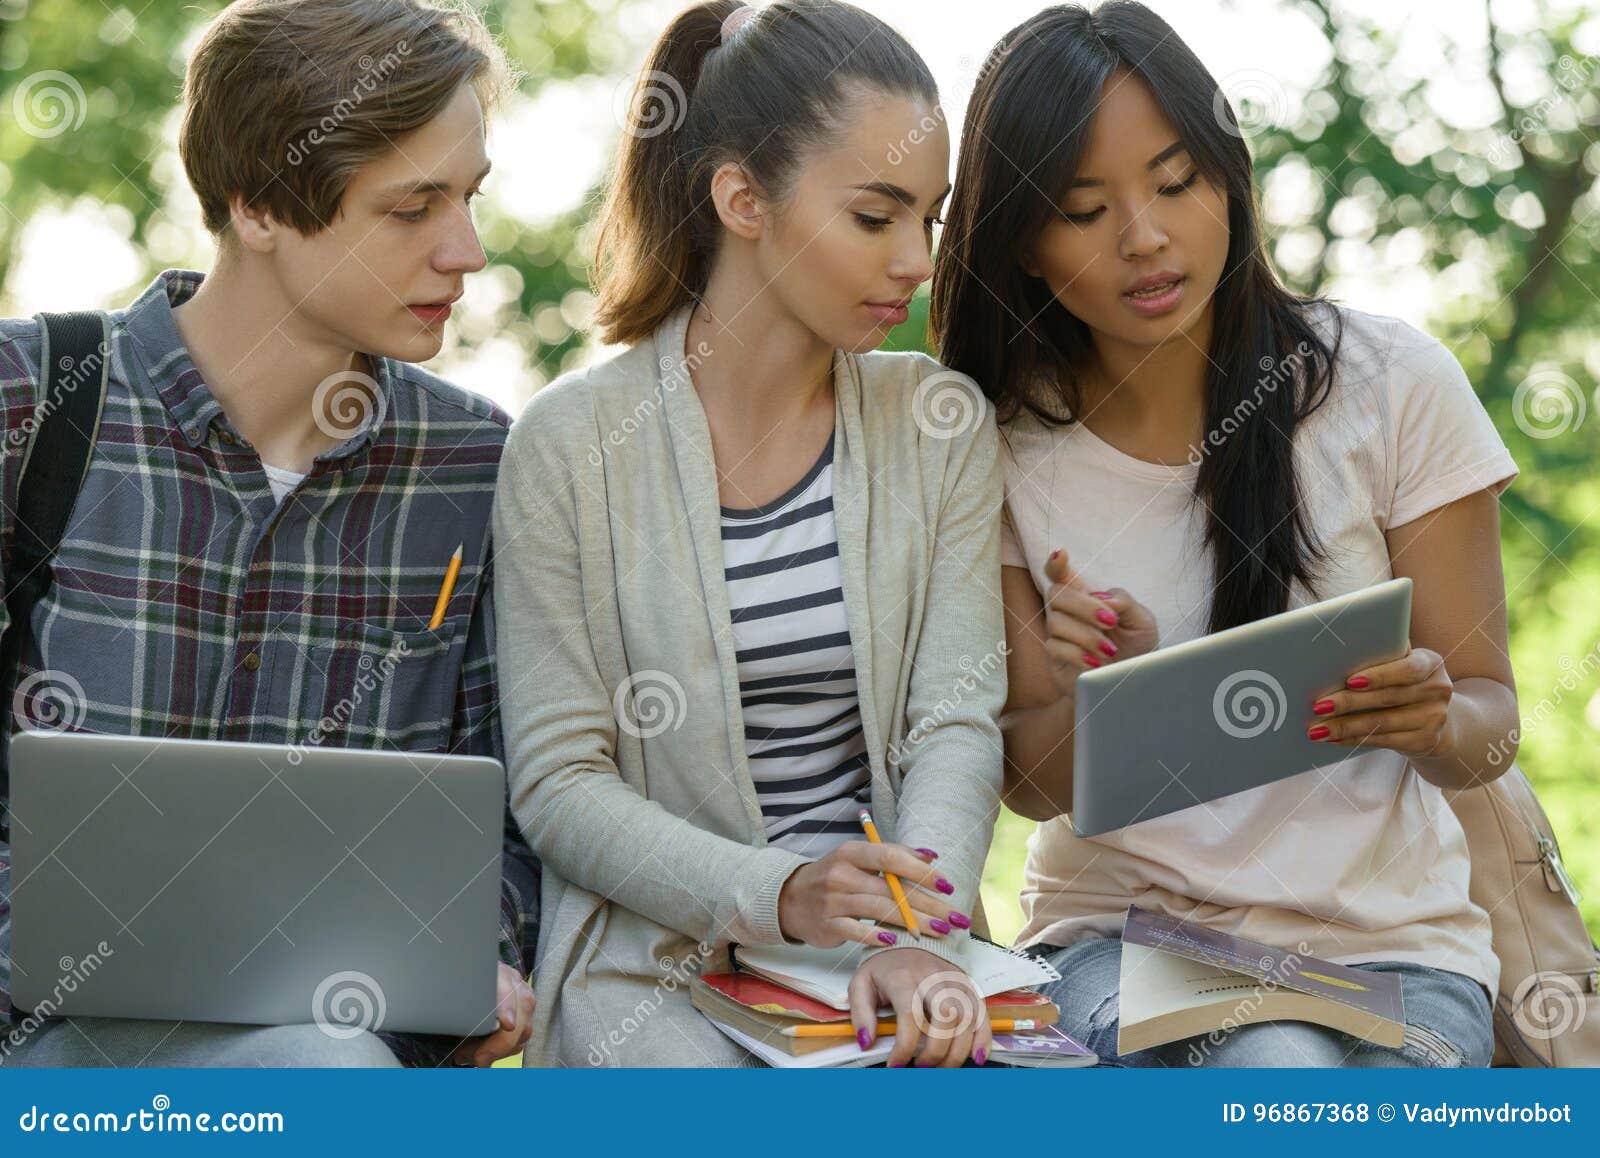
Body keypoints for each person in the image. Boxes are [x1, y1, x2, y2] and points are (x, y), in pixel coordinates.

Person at [930, 1, 1518, 1068]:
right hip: (1125, 944)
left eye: (1175, 182)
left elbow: (1493, 726)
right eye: (1083, 208)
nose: (1144, 237)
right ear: (1022, 244)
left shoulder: (1391, 384)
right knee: (1274, 1068)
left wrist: (1433, 719)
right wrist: (1096, 688)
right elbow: (1028, 784)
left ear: (1230, 180)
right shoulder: (995, 445)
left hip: (1398, 955)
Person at [0, 0, 537, 1068]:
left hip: (332, 1048)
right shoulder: (33, 400)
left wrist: (483, 955)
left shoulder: (476, 467)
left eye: (468, 198)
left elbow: (514, 819)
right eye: (411, 208)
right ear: (257, 205)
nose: (467, 251)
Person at [493, 0, 1005, 1067]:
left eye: (930, 218)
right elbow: (559, 782)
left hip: (888, 949)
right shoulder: (568, 444)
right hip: (657, 968)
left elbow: (953, 723)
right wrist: (777, 893)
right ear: (742, 200)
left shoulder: (937, 423)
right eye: (875, 217)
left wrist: (918, 939)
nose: (916, 260)